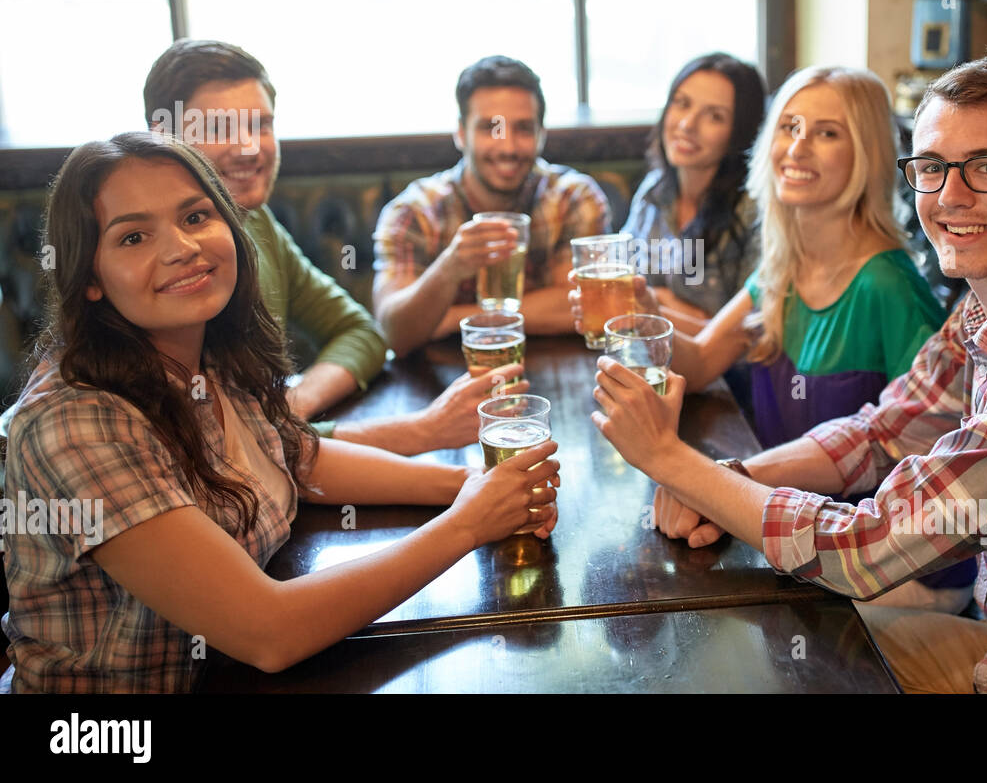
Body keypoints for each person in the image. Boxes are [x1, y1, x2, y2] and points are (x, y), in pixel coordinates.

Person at [591, 55, 987, 693]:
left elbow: (868, 547)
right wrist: (733, 479)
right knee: (788, 658)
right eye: (932, 168)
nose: (951, 196)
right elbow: (881, 432)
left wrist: (674, 462)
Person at [0, 133, 559, 692]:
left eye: (196, 217)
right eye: (134, 236)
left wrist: (471, 483)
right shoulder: (75, 422)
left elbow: (297, 455)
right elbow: (270, 631)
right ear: (90, 279)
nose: (181, 248)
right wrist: (466, 523)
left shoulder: (206, 348)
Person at [577, 64, 974, 611]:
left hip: (890, 567)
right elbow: (699, 363)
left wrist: (699, 478)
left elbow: (938, 458)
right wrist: (641, 306)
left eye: (827, 132)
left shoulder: (888, 283)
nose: (799, 146)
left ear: (867, 156)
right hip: (785, 532)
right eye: (789, 127)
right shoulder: (781, 267)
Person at [144, 40, 518, 454]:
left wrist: (295, 402)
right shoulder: (165, 261)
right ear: (164, 137)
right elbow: (227, 447)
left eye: (261, 125)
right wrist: (420, 433)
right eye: (219, 129)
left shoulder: (255, 221)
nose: (249, 147)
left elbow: (362, 333)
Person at [373, 55, 611, 357]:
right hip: (441, 384)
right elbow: (392, 332)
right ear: (461, 133)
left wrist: (453, 318)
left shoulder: (574, 197)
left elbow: (586, 305)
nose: (507, 147)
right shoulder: (415, 212)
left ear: (542, 134)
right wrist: (449, 268)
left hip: (560, 377)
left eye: (524, 128)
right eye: (490, 128)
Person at [621, 53, 765, 335]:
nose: (687, 124)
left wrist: (653, 303)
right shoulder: (653, 192)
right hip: (650, 360)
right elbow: (621, 286)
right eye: (682, 103)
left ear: (740, 132)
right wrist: (670, 306)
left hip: (726, 379)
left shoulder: (753, 212)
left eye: (714, 116)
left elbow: (747, 335)